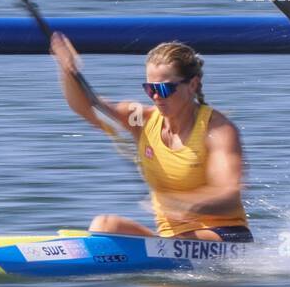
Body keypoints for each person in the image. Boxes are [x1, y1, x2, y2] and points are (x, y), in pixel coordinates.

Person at [51, 33, 252, 242]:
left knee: (174, 240)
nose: (156, 96)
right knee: (104, 225)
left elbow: (229, 195)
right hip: (170, 240)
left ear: (192, 85)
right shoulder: (140, 119)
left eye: (164, 89)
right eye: (150, 88)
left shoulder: (217, 130)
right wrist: (66, 69)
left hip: (224, 236)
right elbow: (89, 108)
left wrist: (185, 204)